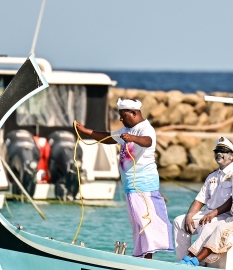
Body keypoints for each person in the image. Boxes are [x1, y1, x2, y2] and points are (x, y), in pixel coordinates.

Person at [74, 98, 172, 259]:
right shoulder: (127, 128)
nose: (120, 119)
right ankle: (140, 256)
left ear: (133, 113)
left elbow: (147, 141)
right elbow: (108, 138)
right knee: (137, 224)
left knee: (145, 222)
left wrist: (133, 139)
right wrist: (85, 131)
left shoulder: (145, 129)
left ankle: (147, 259)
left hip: (143, 184)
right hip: (130, 185)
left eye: (122, 115)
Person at [173, 137, 233, 259]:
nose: (219, 153)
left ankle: (194, 260)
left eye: (223, 150)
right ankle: (182, 260)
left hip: (225, 216)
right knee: (178, 222)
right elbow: (200, 199)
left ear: (232, 155)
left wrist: (214, 213)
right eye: (216, 151)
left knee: (206, 224)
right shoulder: (212, 176)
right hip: (208, 213)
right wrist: (190, 215)